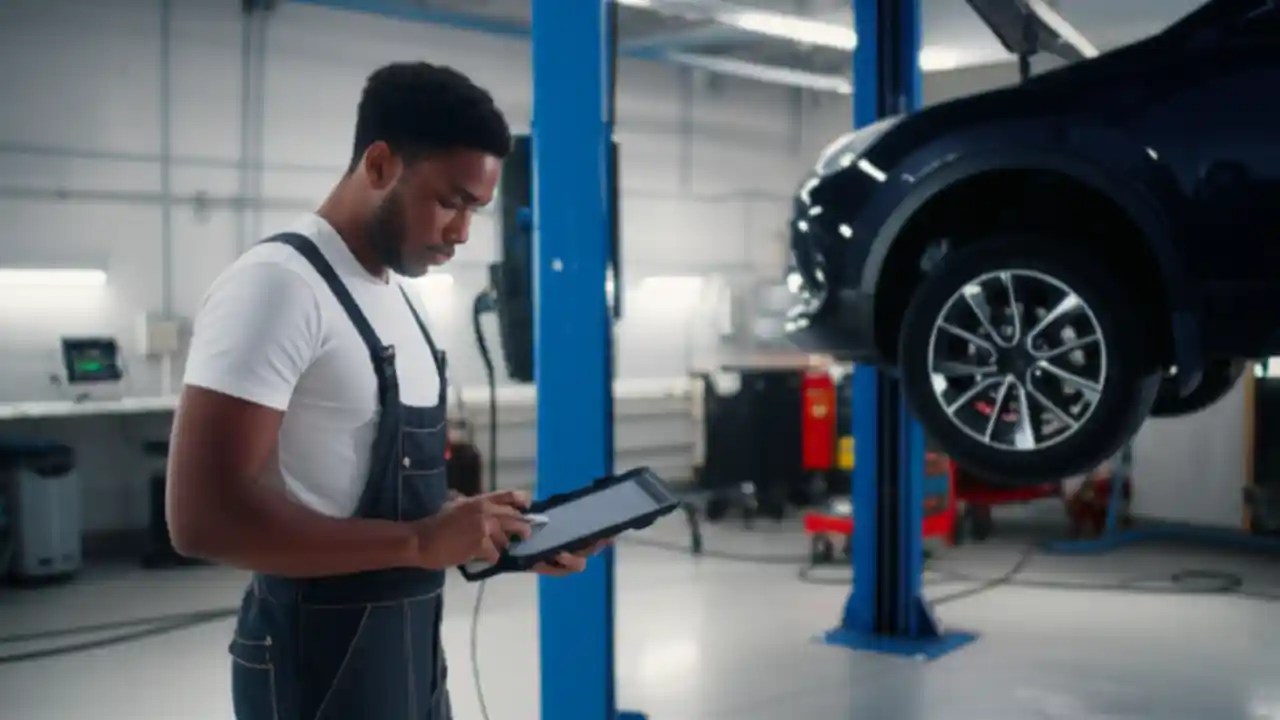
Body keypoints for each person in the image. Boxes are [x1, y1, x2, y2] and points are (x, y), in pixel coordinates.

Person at [167, 62, 605, 720]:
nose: (461, 232)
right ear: (378, 165)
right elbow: (201, 519)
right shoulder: (278, 286)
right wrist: (422, 543)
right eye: (450, 201)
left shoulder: (398, 298)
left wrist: (478, 523)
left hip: (408, 649)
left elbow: (357, 483)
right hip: (313, 661)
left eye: (475, 211)